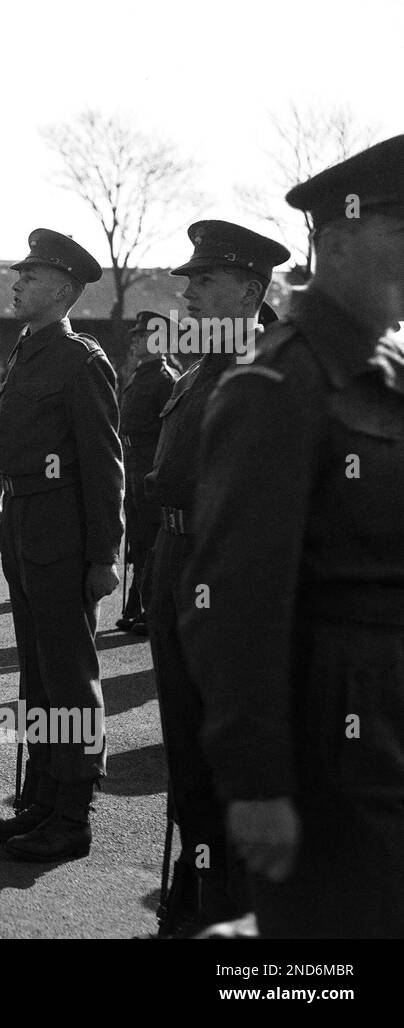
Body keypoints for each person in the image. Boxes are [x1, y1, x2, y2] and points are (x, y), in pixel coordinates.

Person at [181, 136, 404, 938]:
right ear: (338, 241)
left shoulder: (386, 371)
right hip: (328, 748)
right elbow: (234, 599)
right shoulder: (277, 383)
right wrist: (256, 783)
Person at [142, 221, 288, 935]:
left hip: (226, 574)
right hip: (175, 563)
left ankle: (231, 905)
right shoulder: (201, 367)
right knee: (185, 740)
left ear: (252, 291)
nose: (189, 292)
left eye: (205, 281)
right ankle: (196, 887)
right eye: (191, 280)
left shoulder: (268, 372)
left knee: (229, 746)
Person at [0, 229, 123, 862]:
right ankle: (41, 796)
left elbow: (102, 462)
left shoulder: (80, 360)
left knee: (69, 673)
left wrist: (103, 555)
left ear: (62, 290)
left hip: (62, 532)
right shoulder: (28, 350)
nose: (16, 284)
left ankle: (73, 812)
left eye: (30, 278)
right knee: (38, 673)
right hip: (24, 523)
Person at [115, 310, 178, 636]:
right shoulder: (139, 374)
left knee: (152, 543)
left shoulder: (165, 379)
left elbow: (168, 433)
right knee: (138, 543)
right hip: (133, 464)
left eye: (143, 335)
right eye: (136, 335)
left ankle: (151, 608)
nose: (136, 340)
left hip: (150, 466)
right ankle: (136, 605)